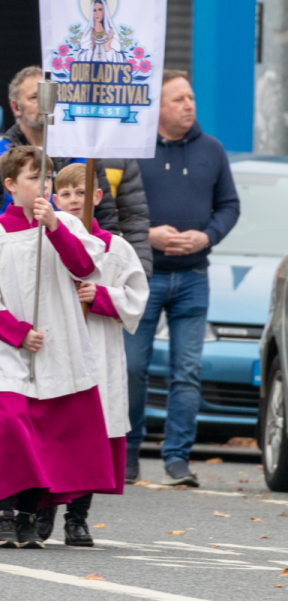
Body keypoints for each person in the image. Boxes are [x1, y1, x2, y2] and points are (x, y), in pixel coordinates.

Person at [0, 145, 112, 548]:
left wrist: (56, 228)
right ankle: (5, 514)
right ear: (10, 185)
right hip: (10, 349)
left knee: (48, 436)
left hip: (59, 345)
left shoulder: (67, 225)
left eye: (48, 177)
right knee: (11, 425)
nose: (43, 185)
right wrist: (17, 333)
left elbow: (84, 267)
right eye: (33, 177)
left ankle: (29, 515)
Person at [129, 70, 240, 487]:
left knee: (187, 370)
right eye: (178, 99)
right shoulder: (135, 149)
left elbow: (229, 205)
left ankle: (177, 458)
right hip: (144, 275)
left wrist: (206, 236)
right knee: (132, 367)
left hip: (193, 275)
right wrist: (148, 234)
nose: (189, 105)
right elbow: (116, 210)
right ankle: (128, 454)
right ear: (157, 107)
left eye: (190, 97)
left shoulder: (212, 150)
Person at [47, 162, 148, 544]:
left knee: (92, 433)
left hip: (98, 347)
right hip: (58, 346)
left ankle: (78, 516)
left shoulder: (116, 248)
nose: (74, 200)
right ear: (54, 200)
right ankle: (44, 508)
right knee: (56, 431)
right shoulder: (43, 242)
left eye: (81, 193)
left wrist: (102, 295)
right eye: (66, 194)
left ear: (97, 196)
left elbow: (136, 297)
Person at [0, 65, 153, 275]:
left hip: (77, 268)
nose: (45, 104)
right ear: (15, 107)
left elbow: (106, 220)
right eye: (35, 97)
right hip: (13, 269)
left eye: (52, 97)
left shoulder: (86, 153)